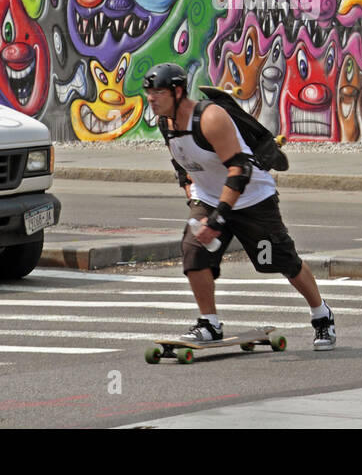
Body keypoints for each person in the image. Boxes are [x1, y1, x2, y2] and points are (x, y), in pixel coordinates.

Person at [142, 63, 337, 350]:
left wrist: (218, 219)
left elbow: (240, 169)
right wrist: (195, 202)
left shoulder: (210, 118)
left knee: (281, 260)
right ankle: (209, 323)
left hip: (252, 199)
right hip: (209, 199)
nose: (151, 98)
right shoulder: (166, 124)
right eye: (149, 92)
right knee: (193, 252)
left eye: (158, 92)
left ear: (178, 91)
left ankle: (322, 315)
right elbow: (183, 167)